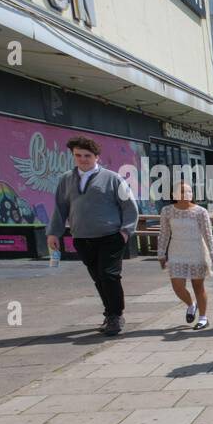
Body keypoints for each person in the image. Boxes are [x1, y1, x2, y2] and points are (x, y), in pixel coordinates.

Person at [45, 135, 139, 336]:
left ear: (97, 156)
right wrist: (54, 232)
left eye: (87, 155)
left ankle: (116, 315)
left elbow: (130, 206)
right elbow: (60, 208)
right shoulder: (66, 179)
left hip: (111, 236)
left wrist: (125, 232)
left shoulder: (113, 178)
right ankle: (109, 313)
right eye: (78, 155)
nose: (82, 159)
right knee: (98, 277)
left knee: (109, 275)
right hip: (82, 238)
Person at [158, 179, 213, 330]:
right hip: (176, 251)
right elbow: (164, 233)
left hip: (197, 250)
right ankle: (191, 305)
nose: (186, 194)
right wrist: (161, 253)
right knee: (177, 286)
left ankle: (203, 318)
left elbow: (208, 234)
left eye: (189, 191)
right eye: (182, 191)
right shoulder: (167, 211)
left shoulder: (200, 211)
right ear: (174, 194)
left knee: (198, 286)